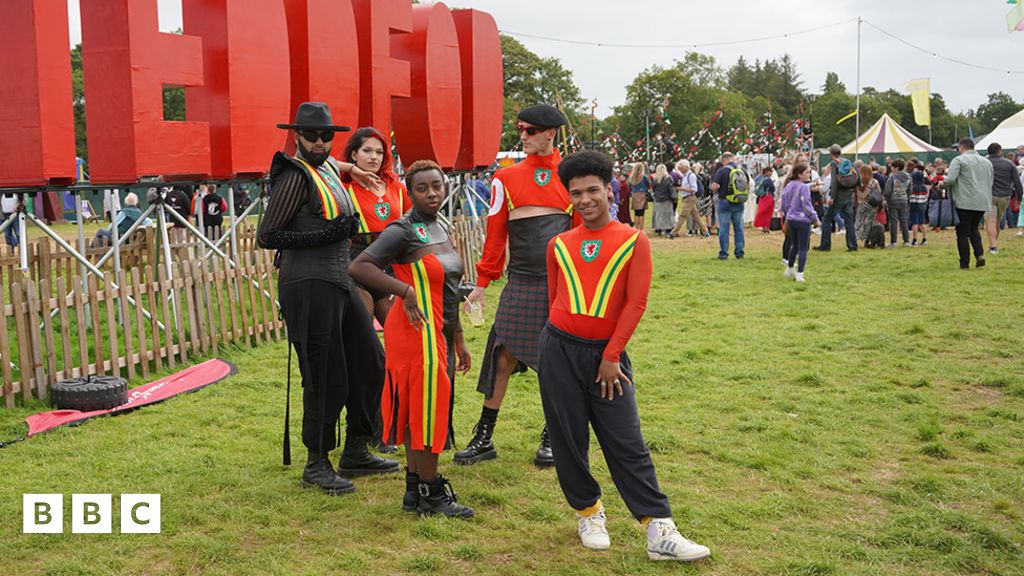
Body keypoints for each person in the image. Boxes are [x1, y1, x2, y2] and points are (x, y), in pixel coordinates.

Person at [540, 150, 711, 562]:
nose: (585, 200)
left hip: (608, 359)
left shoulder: (633, 240)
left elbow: (636, 303)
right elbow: (553, 299)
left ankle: (659, 530)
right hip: (558, 350)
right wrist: (556, 346)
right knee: (567, 440)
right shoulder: (558, 244)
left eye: (592, 190)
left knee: (626, 440)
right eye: (576, 192)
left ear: (608, 188)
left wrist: (611, 354)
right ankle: (588, 511)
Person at [257, 102, 398, 495]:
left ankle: (356, 448)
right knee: (324, 375)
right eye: (311, 136)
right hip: (307, 282)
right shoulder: (294, 176)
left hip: (338, 278)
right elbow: (267, 236)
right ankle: (316, 462)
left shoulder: (325, 168)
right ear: (296, 136)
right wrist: (328, 233)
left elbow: (334, 165)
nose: (319, 142)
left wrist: (353, 169)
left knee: (370, 359)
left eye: (326, 136)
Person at [349, 160, 474, 518]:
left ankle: (415, 489)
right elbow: (359, 266)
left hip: (439, 330)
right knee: (426, 410)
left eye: (437, 185)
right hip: (416, 333)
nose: (432, 193)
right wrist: (404, 290)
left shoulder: (439, 226)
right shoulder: (402, 229)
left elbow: (448, 291)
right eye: (423, 188)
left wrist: (459, 340)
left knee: (421, 409)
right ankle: (433, 494)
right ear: (410, 191)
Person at [459, 104, 575, 468]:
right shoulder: (504, 179)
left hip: (561, 283)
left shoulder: (571, 175)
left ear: (550, 133)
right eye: (521, 129)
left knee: (556, 361)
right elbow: (495, 237)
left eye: (531, 130)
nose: (523, 136)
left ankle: (552, 436)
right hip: (521, 281)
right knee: (501, 356)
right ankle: (484, 437)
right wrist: (481, 283)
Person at [340, 127, 409, 325]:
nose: (374, 157)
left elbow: (414, 223)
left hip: (391, 265)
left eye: (379, 152)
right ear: (354, 154)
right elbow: (315, 166)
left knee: (400, 329)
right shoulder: (343, 189)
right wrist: (350, 169)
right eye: (367, 151)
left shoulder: (396, 187)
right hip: (357, 263)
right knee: (362, 331)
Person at [942, 139, 993, 270]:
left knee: (962, 233)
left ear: (961, 147)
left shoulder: (959, 160)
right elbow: (990, 181)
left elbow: (951, 179)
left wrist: (942, 183)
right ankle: (979, 255)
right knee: (974, 228)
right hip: (982, 200)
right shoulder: (987, 162)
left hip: (964, 200)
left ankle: (964, 263)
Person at [780, 164, 821, 282]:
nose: (809, 174)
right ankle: (800, 274)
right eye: (807, 172)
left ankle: (790, 268)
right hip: (803, 220)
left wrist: (788, 212)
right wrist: (815, 218)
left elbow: (783, 201)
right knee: (803, 248)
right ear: (800, 174)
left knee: (794, 245)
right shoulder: (803, 187)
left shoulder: (789, 185)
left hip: (791, 219)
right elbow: (807, 205)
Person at [814, 144, 859, 252]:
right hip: (849, 194)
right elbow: (857, 177)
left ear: (831, 153)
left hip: (839, 195)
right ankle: (852, 245)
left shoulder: (835, 163)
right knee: (849, 221)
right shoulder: (849, 162)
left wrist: (832, 197)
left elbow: (834, 181)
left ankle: (825, 245)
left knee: (827, 219)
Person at [985, 143, 1023, 255]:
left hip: (989, 195)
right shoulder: (1009, 164)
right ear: (1000, 151)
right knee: (997, 220)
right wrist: (1019, 198)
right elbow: (1017, 182)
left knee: (991, 220)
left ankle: (993, 246)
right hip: (1005, 196)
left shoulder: (985, 163)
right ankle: (993, 244)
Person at [710, 152, 747, 260]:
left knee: (724, 228)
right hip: (738, 201)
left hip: (725, 201)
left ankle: (724, 253)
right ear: (732, 159)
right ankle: (740, 252)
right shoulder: (741, 170)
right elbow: (748, 185)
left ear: (724, 160)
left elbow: (715, 186)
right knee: (739, 228)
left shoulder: (722, 171)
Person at [670, 160, 708, 238]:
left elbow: (694, 189)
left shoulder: (691, 176)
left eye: (681, 168)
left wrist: (681, 189)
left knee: (682, 216)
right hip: (686, 197)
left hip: (690, 197)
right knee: (696, 216)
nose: (680, 169)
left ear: (686, 167)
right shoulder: (685, 175)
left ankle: (673, 232)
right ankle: (705, 231)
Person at [855, 164, 885, 249]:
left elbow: (858, 196)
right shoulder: (874, 181)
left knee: (860, 223)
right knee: (869, 223)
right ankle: (868, 241)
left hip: (861, 205)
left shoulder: (858, 182)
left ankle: (859, 239)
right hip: (872, 205)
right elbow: (879, 194)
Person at [884, 159, 911, 247]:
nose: (891, 169)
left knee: (893, 221)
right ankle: (906, 241)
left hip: (893, 200)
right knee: (904, 221)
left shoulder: (892, 176)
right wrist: (906, 197)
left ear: (896, 168)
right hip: (904, 200)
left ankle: (893, 242)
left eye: (892, 167)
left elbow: (887, 190)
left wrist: (886, 198)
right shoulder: (909, 176)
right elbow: (910, 189)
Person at [650, 164, 676, 238]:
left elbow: (654, 189)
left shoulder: (655, 179)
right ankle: (667, 229)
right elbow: (671, 189)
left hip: (658, 199)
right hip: (666, 199)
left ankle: (659, 228)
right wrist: (673, 197)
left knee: (659, 215)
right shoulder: (668, 178)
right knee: (667, 215)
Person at [908, 161, 929, 246]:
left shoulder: (913, 187)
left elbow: (912, 198)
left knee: (914, 224)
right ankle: (925, 239)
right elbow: (926, 197)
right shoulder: (924, 187)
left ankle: (914, 240)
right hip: (923, 206)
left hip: (914, 206)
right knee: (921, 223)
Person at [628, 162, 651, 231]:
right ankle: (641, 228)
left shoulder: (632, 177)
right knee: (641, 213)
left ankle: (636, 228)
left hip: (634, 194)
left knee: (636, 213)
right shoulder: (644, 177)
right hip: (642, 194)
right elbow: (648, 185)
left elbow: (630, 185)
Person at [753, 166, 776, 234]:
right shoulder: (768, 180)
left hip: (762, 197)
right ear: (767, 172)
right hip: (768, 196)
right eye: (770, 171)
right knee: (768, 213)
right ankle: (767, 228)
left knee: (763, 212)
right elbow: (773, 188)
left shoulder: (760, 178)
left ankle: (763, 227)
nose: (771, 173)